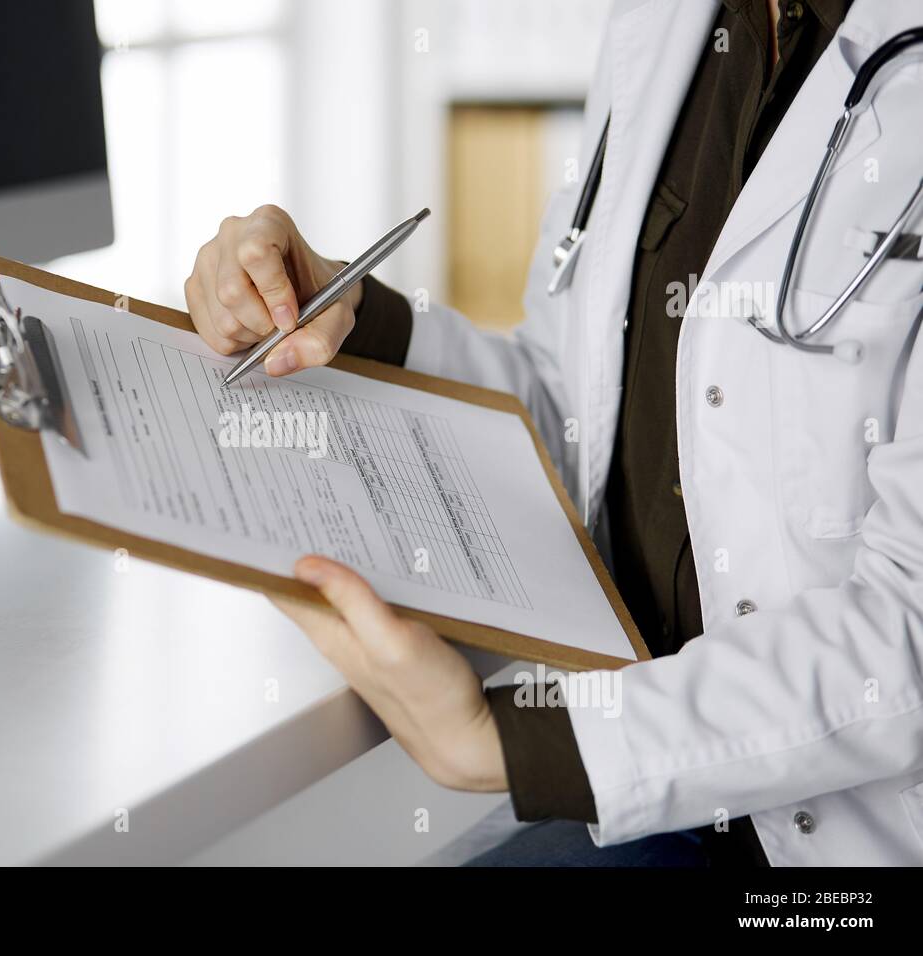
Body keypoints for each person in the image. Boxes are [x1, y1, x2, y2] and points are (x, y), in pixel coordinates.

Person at [184, 0, 923, 866]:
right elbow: (582, 411)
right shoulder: (668, 25)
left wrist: (510, 745)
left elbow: (907, 631)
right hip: (663, 798)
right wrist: (351, 314)